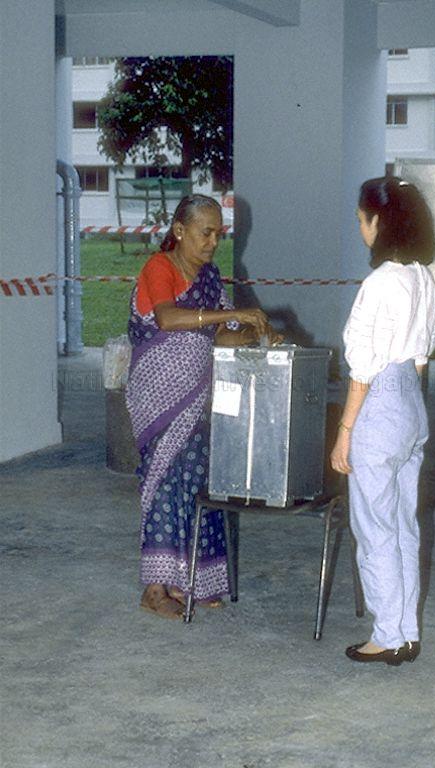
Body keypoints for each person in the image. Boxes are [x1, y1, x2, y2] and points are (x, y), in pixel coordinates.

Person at [126, 194, 281, 619]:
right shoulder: (160, 268)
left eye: (219, 233)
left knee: (195, 480)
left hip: (198, 392)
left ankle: (189, 580)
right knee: (163, 482)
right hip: (158, 396)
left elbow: (221, 337)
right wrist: (224, 316)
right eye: (205, 232)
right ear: (179, 231)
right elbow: (168, 320)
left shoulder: (210, 277)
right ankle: (155, 589)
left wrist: (256, 331)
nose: (213, 241)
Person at [330, 176, 435, 665]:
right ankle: (406, 630)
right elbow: (420, 359)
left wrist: (345, 433)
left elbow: (363, 372)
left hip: (378, 406)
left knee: (374, 528)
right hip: (413, 405)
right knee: (403, 525)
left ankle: (386, 636)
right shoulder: (423, 278)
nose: (360, 229)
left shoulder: (379, 283)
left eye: (361, 219)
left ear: (380, 222)